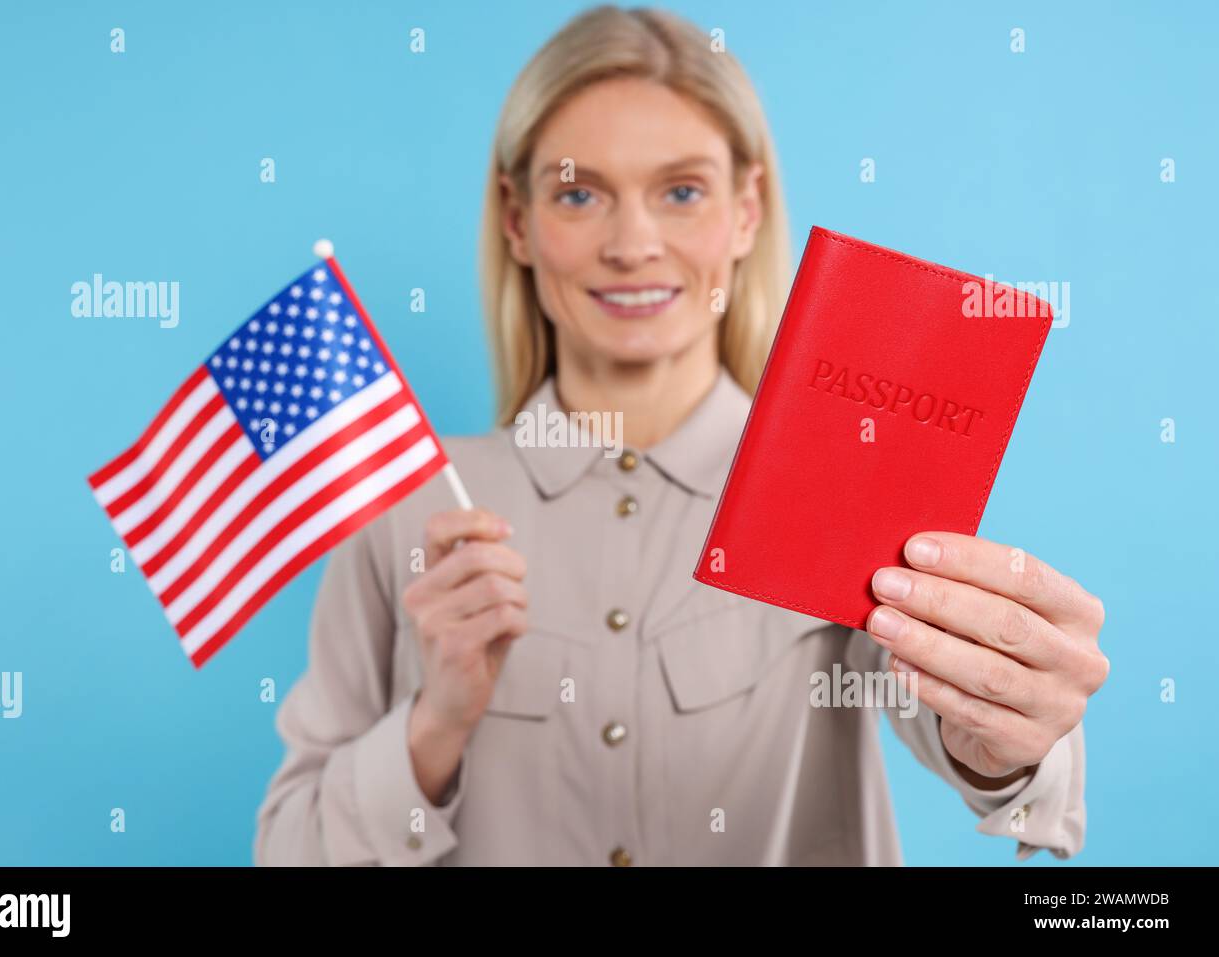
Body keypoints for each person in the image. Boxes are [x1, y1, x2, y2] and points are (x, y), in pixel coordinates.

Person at [253, 5, 1107, 866]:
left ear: (746, 210)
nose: (633, 244)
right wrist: (432, 724)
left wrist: (1006, 732)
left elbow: (985, 753)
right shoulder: (408, 509)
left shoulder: (842, 470)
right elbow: (285, 851)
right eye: (579, 193)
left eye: (682, 191)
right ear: (517, 220)